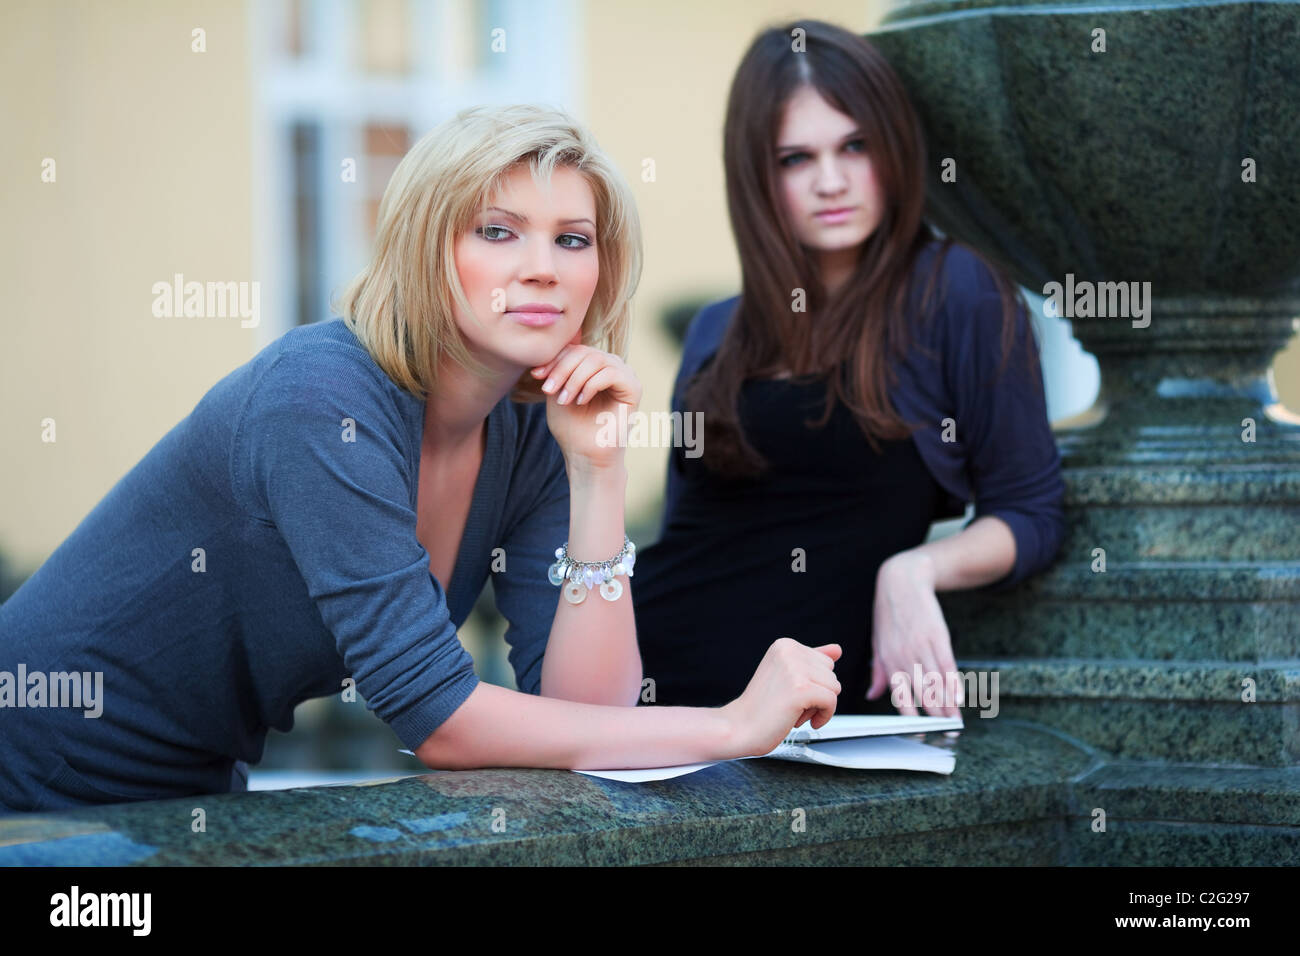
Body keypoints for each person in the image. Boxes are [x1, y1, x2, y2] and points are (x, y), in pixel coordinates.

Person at [0, 104, 842, 815]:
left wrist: (597, 475)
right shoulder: (320, 399)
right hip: (31, 777)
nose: (541, 269)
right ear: (424, 247)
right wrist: (733, 725)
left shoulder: (534, 426)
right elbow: (441, 723)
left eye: (573, 240)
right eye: (498, 231)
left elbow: (586, 718)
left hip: (192, 791)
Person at [632, 21, 1065, 718]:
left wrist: (914, 570)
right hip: (652, 700)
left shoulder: (956, 291)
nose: (831, 182)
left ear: (892, 147)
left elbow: (1033, 512)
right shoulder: (718, 328)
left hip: (824, 720)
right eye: (796, 159)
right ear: (757, 176)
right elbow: (684, 527)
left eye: (854, 146)